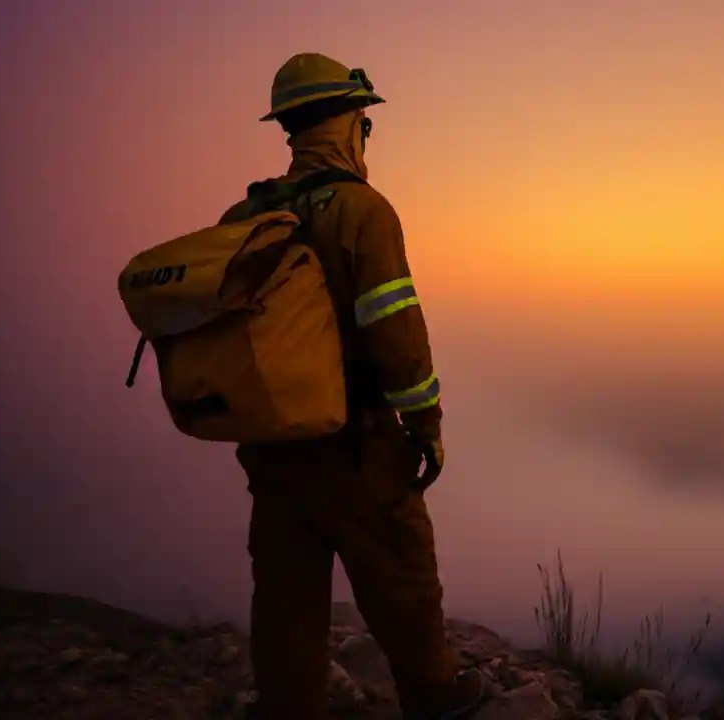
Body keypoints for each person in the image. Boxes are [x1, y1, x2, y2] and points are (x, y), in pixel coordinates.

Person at [219, 53, 483, 720]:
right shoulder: (364, 211)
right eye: (363, 121)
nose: (366, 133)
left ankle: (289, 708)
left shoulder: (241, 218)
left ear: (290, 127)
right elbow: (398, 336)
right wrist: (426, 428)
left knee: (285, 600)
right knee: (404, 576)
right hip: (354, 447)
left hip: (273, 449)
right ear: (346, 123)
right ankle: (435, 699)